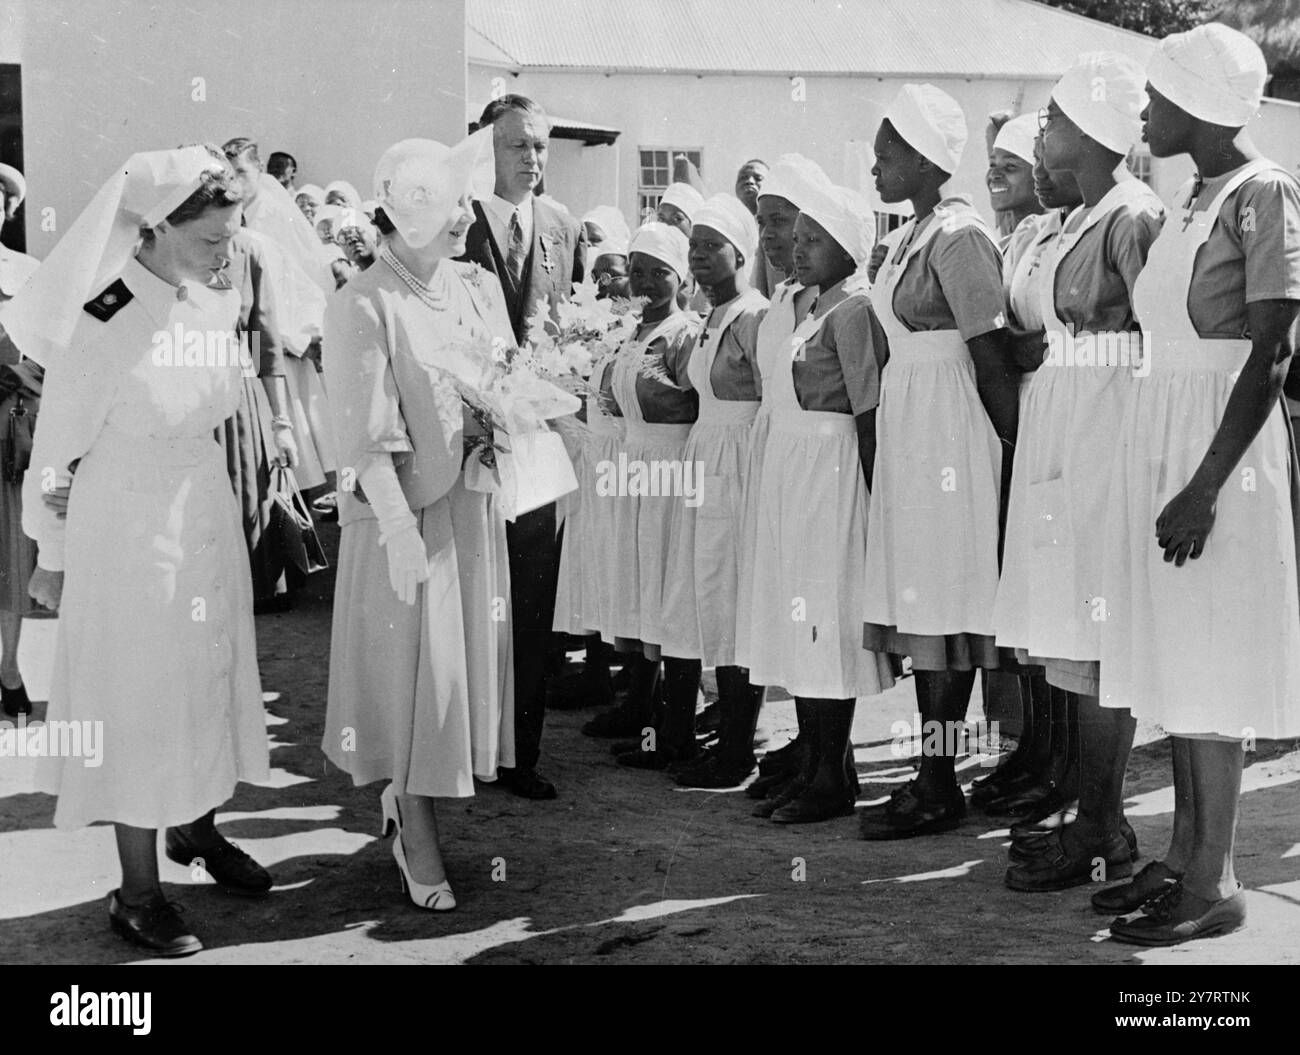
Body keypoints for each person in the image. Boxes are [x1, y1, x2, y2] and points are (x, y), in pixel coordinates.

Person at [7, 146, 273, 956]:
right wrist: (51, 552)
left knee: (206, 671)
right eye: (210, 241)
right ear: (154, 228)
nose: (226, 255)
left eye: (232, 239)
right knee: (142, 699)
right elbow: (54, 451)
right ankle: (137, 890)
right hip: (128, 527)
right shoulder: (107, 316)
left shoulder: (210, 299)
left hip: (200, 507)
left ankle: (196, 828)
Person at [1097, 24, 1300, 946]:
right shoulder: (1194, 196)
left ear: (1204, 105)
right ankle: (1182, 856)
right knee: (1181, 658)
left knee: (1213, 658)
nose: (1144, 112)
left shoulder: (1265, 196)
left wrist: (1206, 484)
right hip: (1171, 436)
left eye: (1156, 95)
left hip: (1221, 450)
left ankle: (1217, 877)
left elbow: (1272, 351)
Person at [323, 131, 514, 913]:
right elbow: (365, 437)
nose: (470, 214)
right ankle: (415, 827)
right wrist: (402, 533)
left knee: (453, 681)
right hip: (405, 523)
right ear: (411, 208)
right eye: (455, 201)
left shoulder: (475, 285)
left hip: (469, 507)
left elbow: (506, 376)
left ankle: (410, 804)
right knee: (415, 683)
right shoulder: (363, 300)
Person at [994, 53, 1164, 892]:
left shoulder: (1133, 217)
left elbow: (1160, 340)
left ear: (1093, 131)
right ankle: (1093, 812)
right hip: (1065, 422)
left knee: (1099, 637)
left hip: (1108, 428)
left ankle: (1104, 823)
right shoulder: (1076, 217)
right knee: (1070, 631)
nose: (1043, 136)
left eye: (1054, 120)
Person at [860, 84, 1020, 840]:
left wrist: (1010, 453)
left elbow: (990, 356)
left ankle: (938, 779)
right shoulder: (905, 236)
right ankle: (934, 775)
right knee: (927, 607)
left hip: (951, 428)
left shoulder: (959, 238)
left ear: (926, 160)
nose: (875, 165)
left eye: (887, 152)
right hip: (911, 425)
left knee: (950, 607)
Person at [457, 94, 585, 801]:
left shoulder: (563, 227)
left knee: (533, 597)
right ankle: (472, 746)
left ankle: (522, 751)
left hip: (537, 443)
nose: (532, 160)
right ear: (486, 150)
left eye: (540, 146)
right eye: (516, 146)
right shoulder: (459, 223)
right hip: (476, 442)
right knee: (481, 597)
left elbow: (568, 327)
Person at [972, 137, 1086, 829]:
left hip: (1066, 414)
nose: (1032, 177)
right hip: (1029, 414)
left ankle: (1070, 766)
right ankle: (1040, 748)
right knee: (1034, 602)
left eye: (1035, 163)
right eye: (1020, 164)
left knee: (1065, 599)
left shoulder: (1096, 227)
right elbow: (1013, 332)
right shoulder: (1030, 236)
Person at [635, 195, 766, 779]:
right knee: (696, 595)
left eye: (715, 245)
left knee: (731, 600)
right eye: (696, 247)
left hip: (738, 461)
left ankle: (738, 750)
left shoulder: (755, 318)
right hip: (703, 457)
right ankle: (682, 738)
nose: (702, 256)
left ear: (742, 252)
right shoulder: (709, 319)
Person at [736, 154, 832, 800]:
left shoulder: (838, 304)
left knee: (820, 615)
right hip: (778, 464)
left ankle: (832, 769)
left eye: (785, 222)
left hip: (821, 473)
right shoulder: (781, 301)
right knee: (790, 615)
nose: (773, 236)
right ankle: (810, 752)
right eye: (765, 223)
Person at [582, 223, 698, 744]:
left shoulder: (683, 335)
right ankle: (640, 707)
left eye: (660, 272)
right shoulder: (628, 332)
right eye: (638, 271)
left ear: (681, 276)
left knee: (668, 593)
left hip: (669, 472)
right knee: (639, 590)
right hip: (631, 469)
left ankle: (672, 727)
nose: (646, 282)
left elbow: (700, 406)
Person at [224, 138, 338, 497]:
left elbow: (302, 275)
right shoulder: (234, 218)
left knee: (301, 438)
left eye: (242, 172)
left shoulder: (275, 215)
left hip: (286, 333)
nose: (236, 181)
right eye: (230, 174)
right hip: (257, 333)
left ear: (259, 171)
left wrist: (299, 332)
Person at [212, 225, 301, 610]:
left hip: (234, 387)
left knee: (244, 486)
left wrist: (281, 424)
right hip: (174, 368)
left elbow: (258, 340)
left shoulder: (246, 248)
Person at [0, 161, 45, 717]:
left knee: (12, 556)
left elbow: (50, 346)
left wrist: (21, 374)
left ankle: (9, 667)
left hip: (10, 430)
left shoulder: (29, 273)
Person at [987, 113, 1043, 247]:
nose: (993, 175)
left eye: (1010, 166)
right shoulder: (1004, 247)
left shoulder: (1050, 244)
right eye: (992, 165)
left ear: (1041, 171)